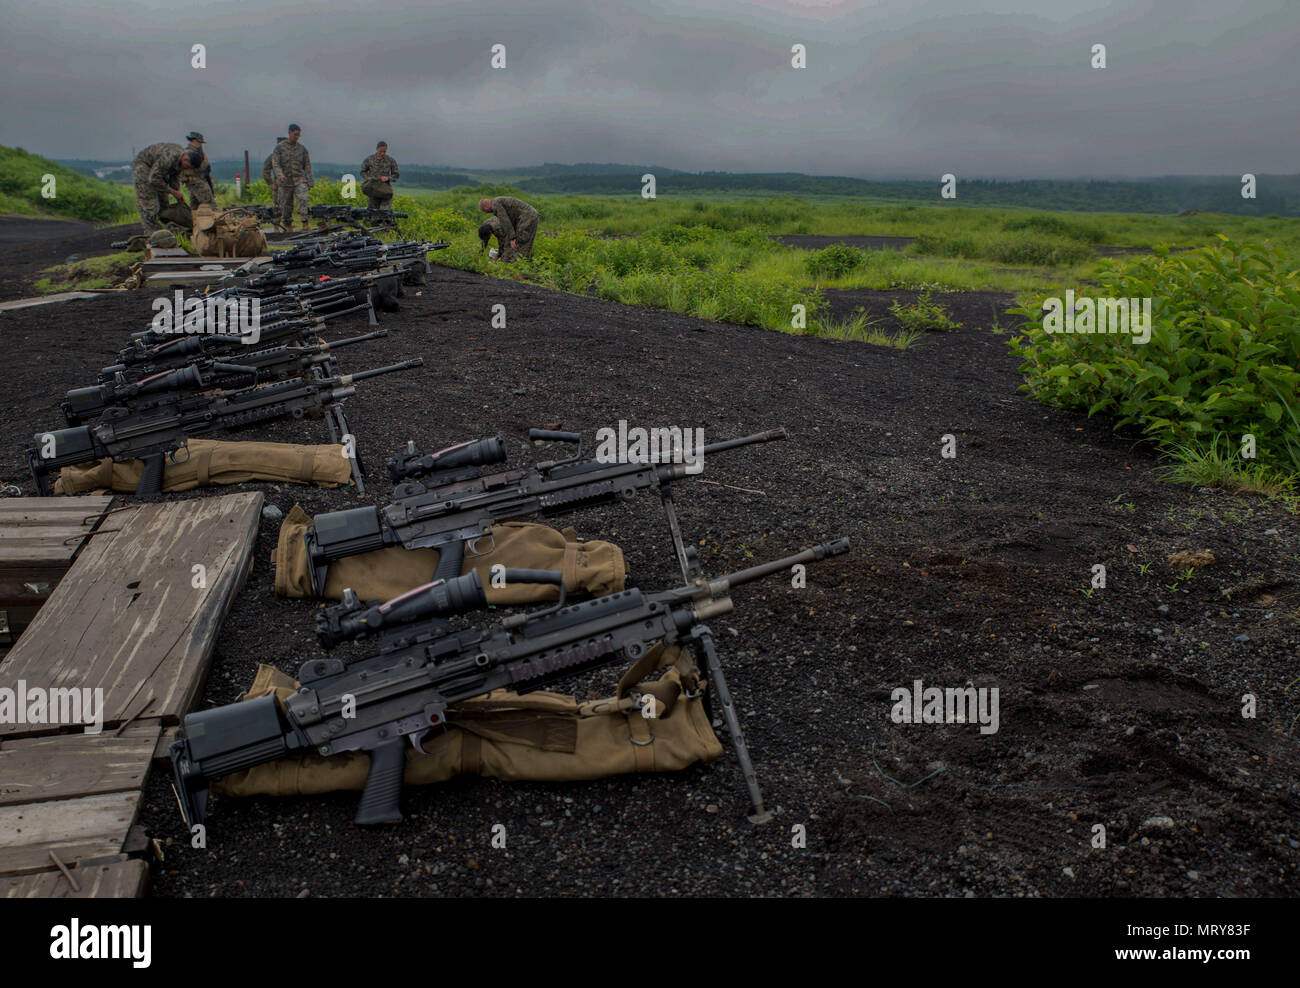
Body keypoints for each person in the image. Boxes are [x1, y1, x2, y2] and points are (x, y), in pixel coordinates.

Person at [132, 142, 203, 233]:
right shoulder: (169, 158)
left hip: (158, 170)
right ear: (185, 159)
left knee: (164, 202)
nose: (187, 170)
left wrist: (177, 194)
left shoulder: (181, 161)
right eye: (188, 167)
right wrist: (172, 191)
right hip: (144, 166)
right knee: (150, 203)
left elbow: (174, 177)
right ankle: (152, 234)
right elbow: (154, 179)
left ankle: (165, 228)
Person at [271, 124, 313, 230]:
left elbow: (307, 166)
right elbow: (275, 164)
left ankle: (305, 223)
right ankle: (287, 224)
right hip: (285, 181)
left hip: (299, 179)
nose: (296, 137)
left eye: (298, 135)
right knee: (285, 204)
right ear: (289, 133)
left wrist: (309, 182)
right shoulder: (279, 148)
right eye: (295, 135)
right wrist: (280, 175)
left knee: (303, 199)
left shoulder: (302, 149)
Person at [478, 195, 539, 260]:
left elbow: (505, 221)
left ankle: (521, 264)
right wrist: (481, 251)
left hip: (527, 217)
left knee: (521, 242)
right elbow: (484, 238)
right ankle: (519, 262)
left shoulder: (495, 205)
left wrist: (512, 238)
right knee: (518, 243)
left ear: (486, 208)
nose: (487, 213)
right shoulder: (496, 203)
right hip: (526, 217)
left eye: (485, 211)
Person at [360, 141, 399, 210]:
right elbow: (362, 172)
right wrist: (371, 178)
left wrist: (388, 178)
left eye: (384, 151)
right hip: (373, 190)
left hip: (385, 191)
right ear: (377, 149)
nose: (382, 153)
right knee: (372, 212)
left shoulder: (390, 160)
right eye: (381, 151)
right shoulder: (369, 159)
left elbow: (396, 175)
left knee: (385, 213)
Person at [184, 131, 215, 207]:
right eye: (199, 142)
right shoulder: (191, 153)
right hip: (197, 182)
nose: (200, 144)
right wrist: (205, 161)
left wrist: (209, 177)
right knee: (210, 205)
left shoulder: (190, 152)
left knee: (195, 207)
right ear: (194, 141)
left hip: (194, 182)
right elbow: (198, 170)